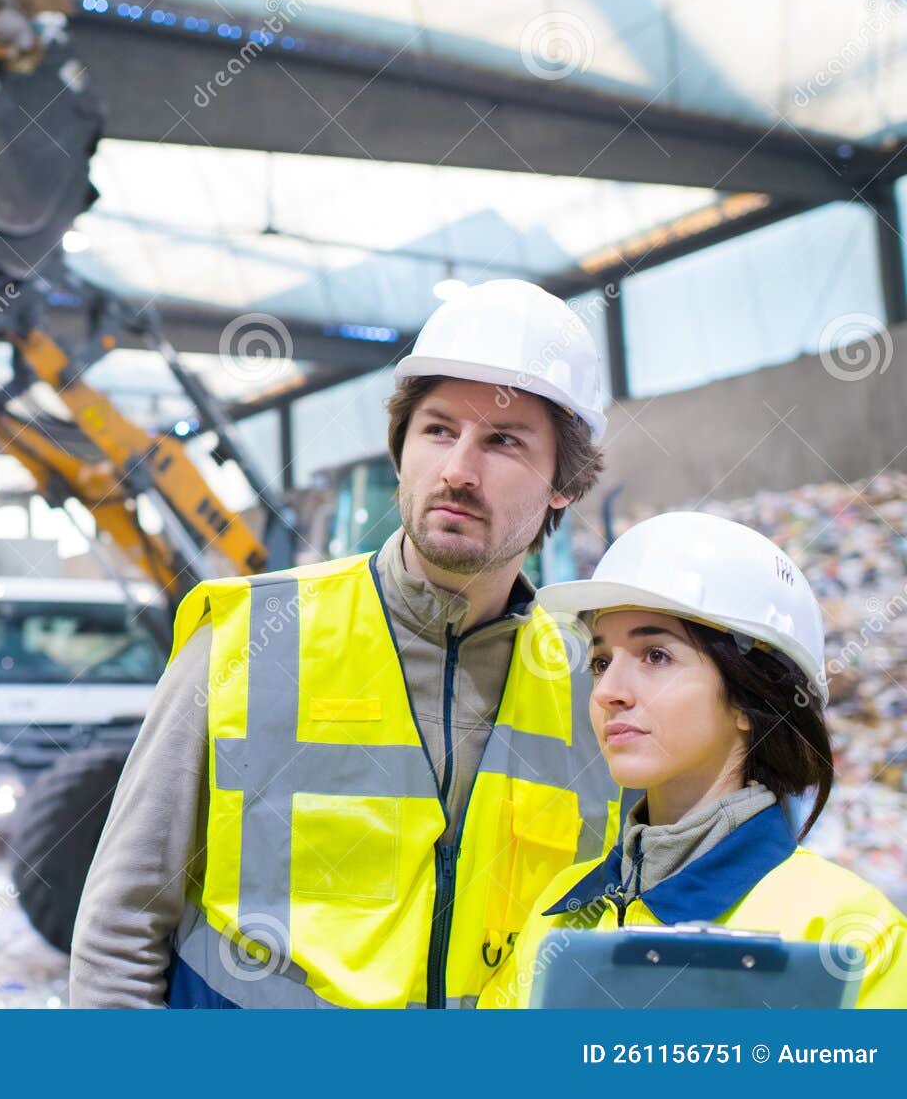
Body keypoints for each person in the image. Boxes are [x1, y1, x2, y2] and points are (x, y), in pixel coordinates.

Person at [69, 279, 625, 1008]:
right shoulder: (245, 638)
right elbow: (120, 926)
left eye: (503, 441)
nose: (458, 469)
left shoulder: (599, 688)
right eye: (437, 430)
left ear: (564, 484)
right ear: (400, 449)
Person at [480, 511, 907, 1008]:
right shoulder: (561, 911)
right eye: (601, 662)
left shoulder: (852, 932)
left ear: (752, 698)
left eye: (655, 656)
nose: (609, 692)